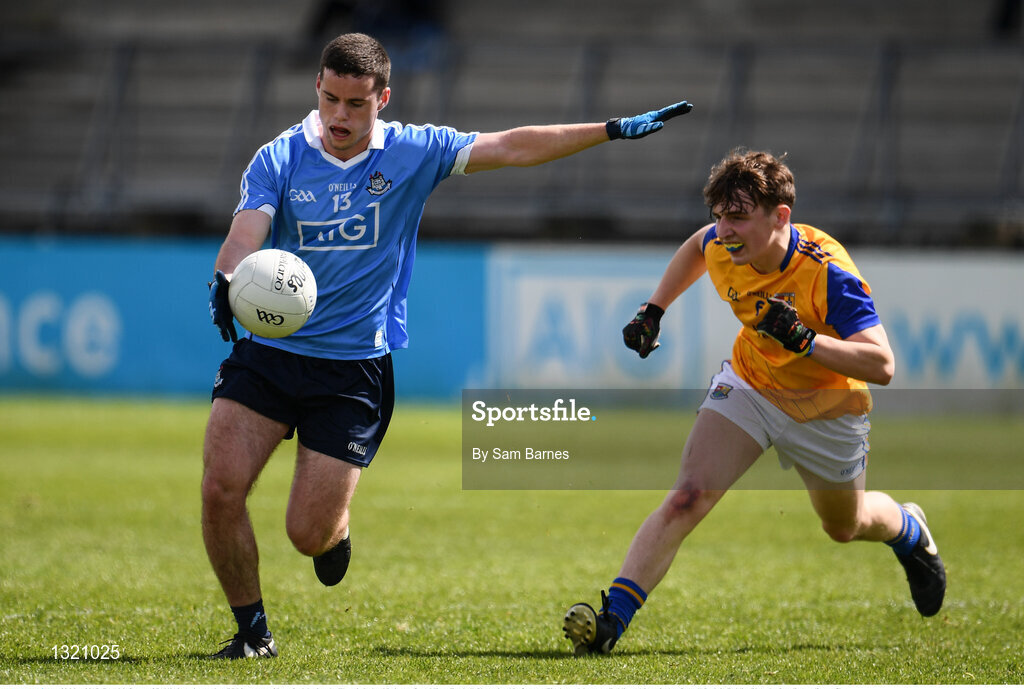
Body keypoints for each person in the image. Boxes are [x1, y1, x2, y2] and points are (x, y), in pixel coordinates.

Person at [203, 31, 692, 659]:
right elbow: (246, 234)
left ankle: (334, 532)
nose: (340, 117)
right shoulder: (279, 157)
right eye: (330, 100)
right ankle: (252, 632)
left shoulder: (414, 151)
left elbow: (513, 147)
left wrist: (611, 128)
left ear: (383, 98)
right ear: (316, 91)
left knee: (307, 534)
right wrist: (225, 280)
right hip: (272, 354)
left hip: (352, 370)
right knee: (220, 488)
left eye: (356, 103)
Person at [562, 149, 946, 655]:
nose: (724, 229)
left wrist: (806, 340)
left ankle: (908, 527)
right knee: (687, 497)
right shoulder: (722, 243)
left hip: (827, 410)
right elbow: (696, 249)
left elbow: (882, 365)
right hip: (750, 385)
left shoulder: (828, 273)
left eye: (738, 215)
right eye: (719, 215)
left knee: (844, 526)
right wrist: (653, 309)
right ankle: (613, 619)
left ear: (779, 215)